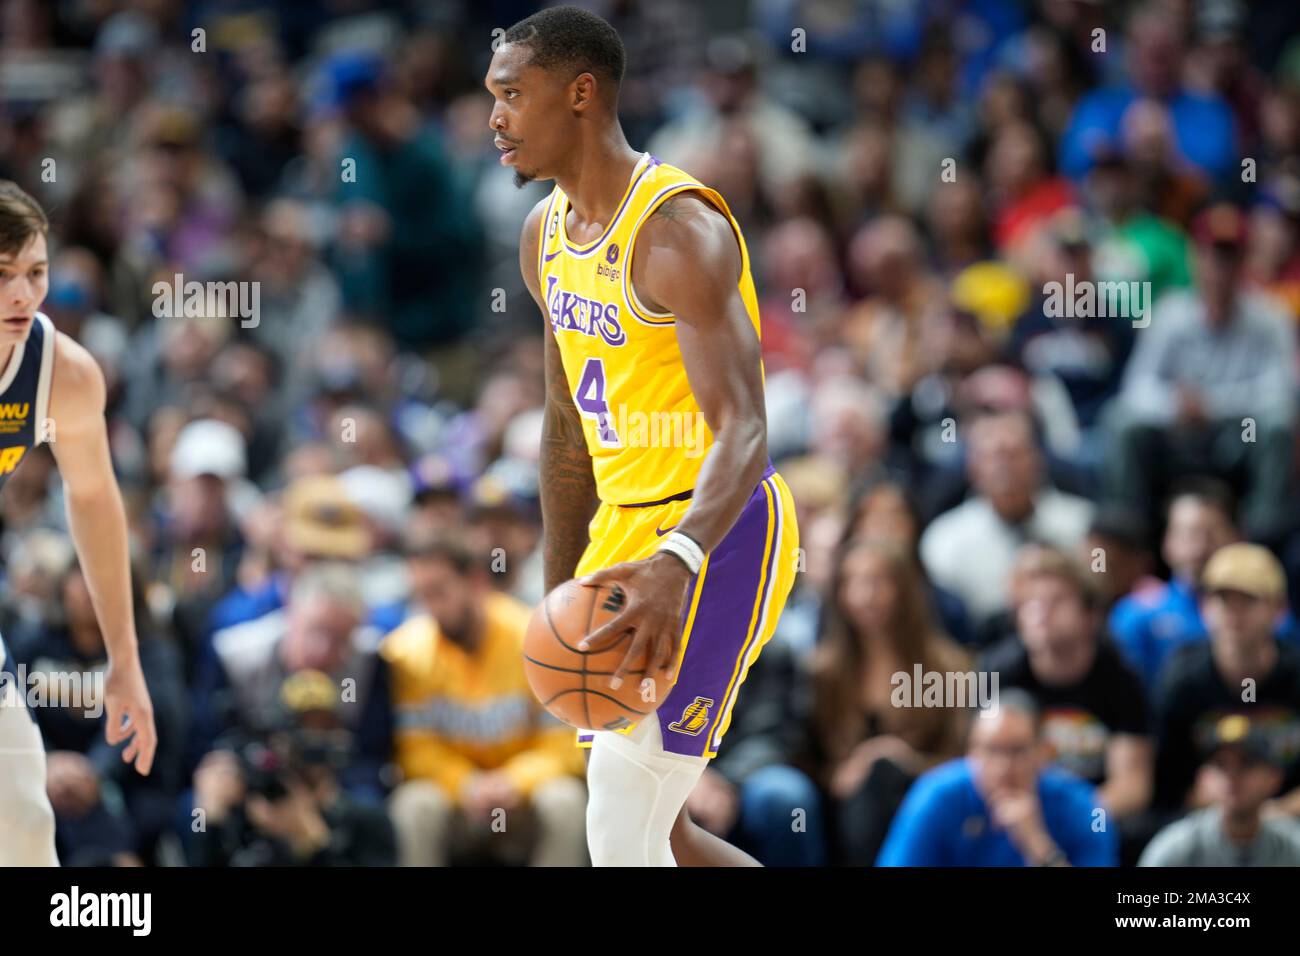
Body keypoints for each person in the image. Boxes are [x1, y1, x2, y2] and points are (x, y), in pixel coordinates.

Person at [489, 5, 800, 866]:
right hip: (623, 535)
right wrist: (557, 593)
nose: (496, 120)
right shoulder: (541, 235)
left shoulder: (674, 231)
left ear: (581, 93)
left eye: (514, 94)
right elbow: (564, 433)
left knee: (620, 816)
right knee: (665, 832)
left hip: (719, 531)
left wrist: (679, 561)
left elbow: (747, 429)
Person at [0, 180, 157, 866]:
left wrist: (124, 658)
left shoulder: (62, 371)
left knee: (27, 825)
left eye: (35, 272)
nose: (22, 295)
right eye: (1, 276)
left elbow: (93, 503)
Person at [383, 535, 586, 867]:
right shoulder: (406, 652)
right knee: (413, 804)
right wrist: (467, 784)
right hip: (459, 804)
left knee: (565, 800)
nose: (430, 608)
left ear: (476, 581)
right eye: (421, 596)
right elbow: (414, 751)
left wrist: (514, 782)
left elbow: (565, 745)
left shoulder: (535, 638)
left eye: (439, 592)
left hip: (523, 803)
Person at [979, 547, 1153, 819]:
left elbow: (1131, 787)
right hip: (1012, 813)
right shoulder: (997, 673)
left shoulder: (1121, 679)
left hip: (1092, 816)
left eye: (1056, 602)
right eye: (1029, 604)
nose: (1040, 614)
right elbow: (981, 769)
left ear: (1090, 616)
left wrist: (1070, 820)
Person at [877, 689, 1118, 866]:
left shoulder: (1089, 807)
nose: (1003, 767)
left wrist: (1040, 847)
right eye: (991, 750)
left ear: (1043, 752)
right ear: (970, 751)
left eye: (1017, 750)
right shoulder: (933, 796)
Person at [1154, 543, 1300, 817]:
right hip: (1205, 821)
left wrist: (1275, 813)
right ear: (1204, 607)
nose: (1234, 613)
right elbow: (1165, 781)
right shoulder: (1182, 678)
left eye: (1248, 600)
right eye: (1223, 599)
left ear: (1279, 609)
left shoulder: (1296, 674)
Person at [1140, 714, 1300, 867]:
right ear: (1203, 778)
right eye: (1220, 765)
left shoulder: (1293, 845)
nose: (1232, 776)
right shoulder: (1175, 850)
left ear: (1274, 777)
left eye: (1247, 763)